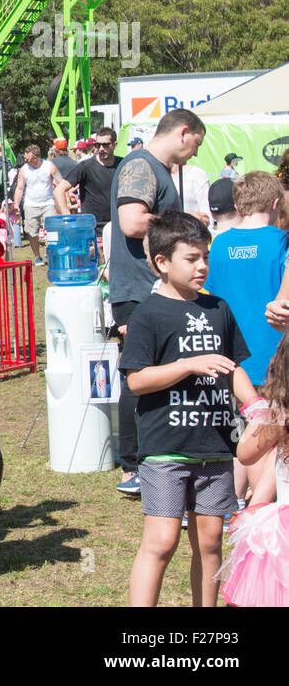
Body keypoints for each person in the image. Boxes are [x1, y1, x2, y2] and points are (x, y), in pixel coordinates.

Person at [121, 211, 256, 606]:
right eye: (192, 258)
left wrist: (258, 406)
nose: (202, 267)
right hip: (165, 448)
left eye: (206, 257)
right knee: (161, 542)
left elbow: (234, 369)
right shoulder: (148, 314)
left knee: (211, 541)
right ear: (162, 262)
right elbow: (136, 380)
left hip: (214, 446)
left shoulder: (218, 309)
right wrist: (186, 365)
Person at [109, 108, 207, 496]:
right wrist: (178, 220)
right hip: (137, 290)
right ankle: (131, 468)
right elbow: (132, 221)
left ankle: (154, 460)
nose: (194, 155)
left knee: (159, 375)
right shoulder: (140, 165)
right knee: (139, 378)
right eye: (196, 145)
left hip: (150, 288)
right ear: (183, 133)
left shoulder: (155, 168)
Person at [205, 171, 289, 504]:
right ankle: (257, 502)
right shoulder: (282, 241)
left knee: (241, 429)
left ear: (238, 205)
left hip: (230, 353)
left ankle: (233, 499)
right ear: (275, 203)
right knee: (268, 431)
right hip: (272, 353)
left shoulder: (219, 243)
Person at [218, 335, 289, 606]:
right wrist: (259, 499)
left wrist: (259, 411)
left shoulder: (279, 417)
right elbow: (280, 462)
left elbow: (245, 453)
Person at [55, 126, 122, 236]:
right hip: (93, 230)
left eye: (105, 145)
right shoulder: (85, 166)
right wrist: (68, 218)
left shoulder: (123, 164)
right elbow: (59, 190)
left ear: (114, 145)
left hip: (118, 227)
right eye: (97, 145)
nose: (101, 149)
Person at [13, 144, 63, 266]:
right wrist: (16, 205)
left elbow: (60, 182)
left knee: (52, 230)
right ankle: (37, 257)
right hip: (31, 204)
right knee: (32, 232)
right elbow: (20, 188)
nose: (25, 161)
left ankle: (50, 253)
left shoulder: (49, 166)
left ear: (35, 158)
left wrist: (65, 197)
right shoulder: (24, 170)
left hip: (49, 203)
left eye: (27, 159)